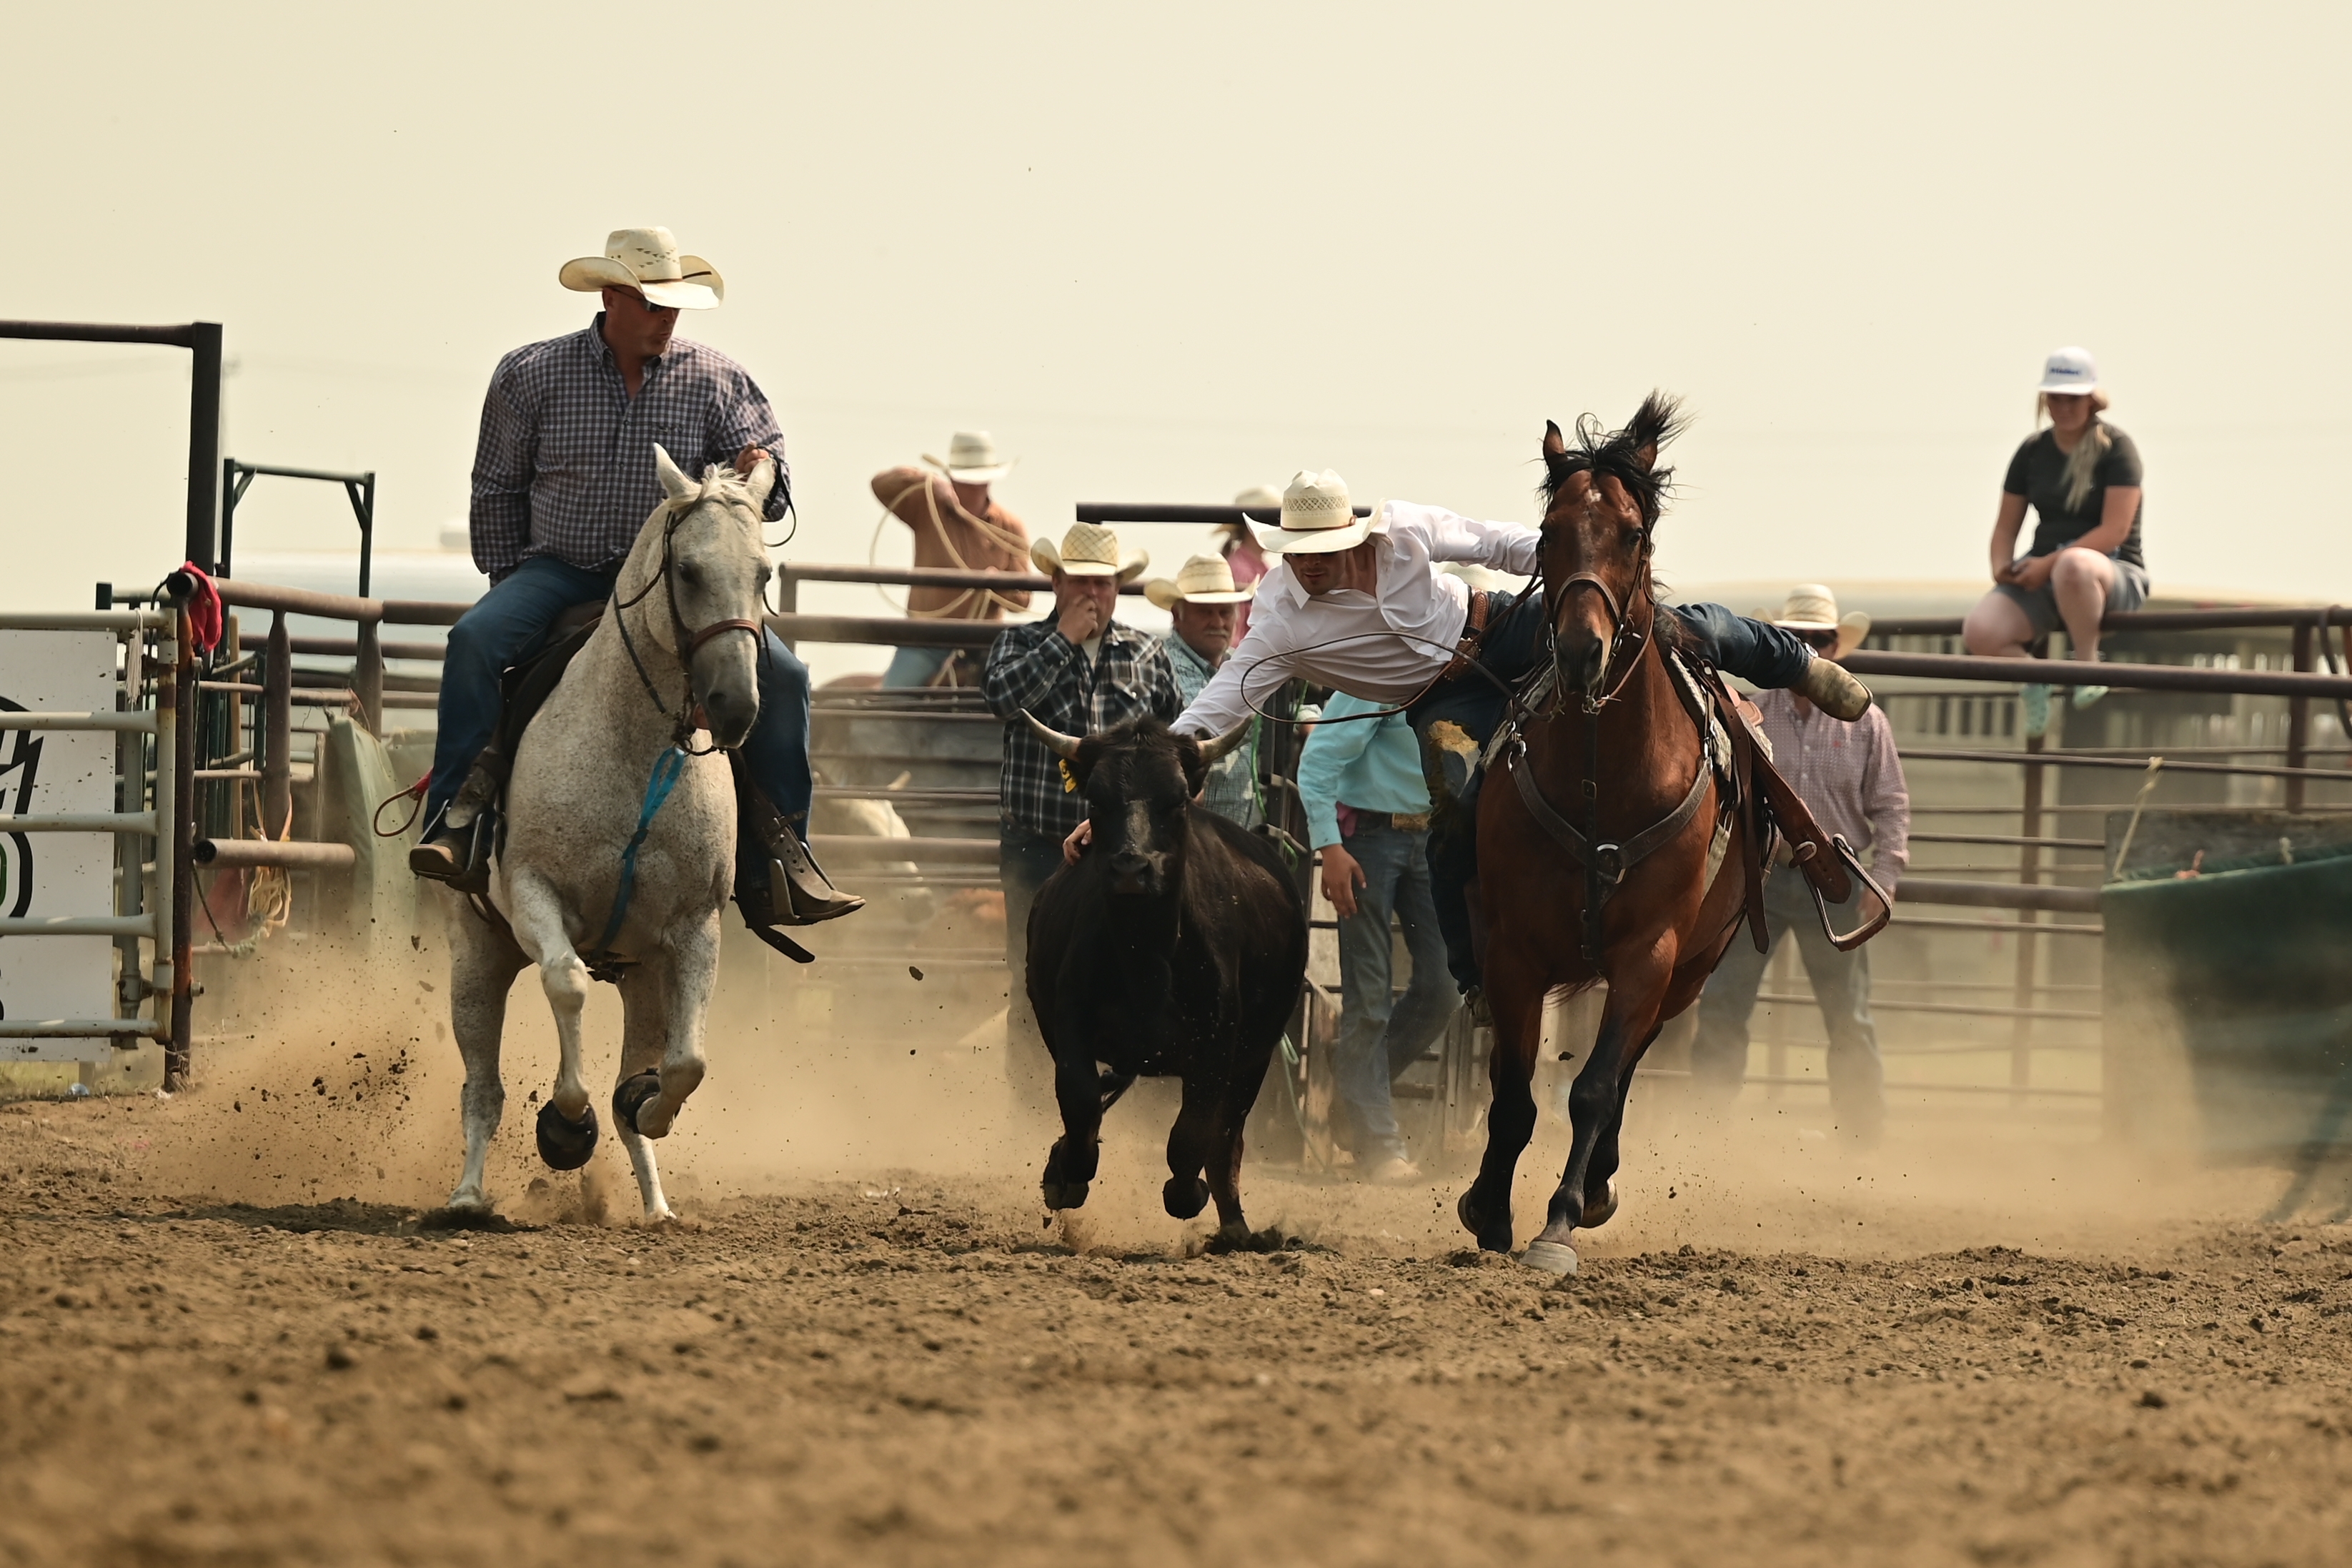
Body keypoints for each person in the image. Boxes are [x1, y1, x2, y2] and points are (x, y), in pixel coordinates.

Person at [1160, 462, 1874, 994]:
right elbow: (1227, 696)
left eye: (1322, 545)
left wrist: (1579, 565)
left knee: (1673, 632)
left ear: (1352, 534)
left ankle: (1795, 662)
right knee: (1455, 809)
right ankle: (1476, 979)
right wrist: (1166, 761)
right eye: (1297, 549)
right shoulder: (1281, 619)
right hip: (1445, 700)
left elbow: (1496, 542)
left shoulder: (1404, 530)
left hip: (1502, 627)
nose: (1309, 562)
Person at [409, 227, 860, 933]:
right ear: (612, 296)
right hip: (560, 570)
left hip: (674, 586)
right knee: (476, 639)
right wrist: (508, 581)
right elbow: (496, 491)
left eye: (673, 304)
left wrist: (756, 468)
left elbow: (770, 488)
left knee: (788, 680)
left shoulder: (716, 380)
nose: (667, 317)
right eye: (652, 303)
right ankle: (455, 819)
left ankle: (783, 857)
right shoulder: (531, 375)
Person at [1689, 585, 1909, 1146]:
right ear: (1782, 643)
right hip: (1757, 875)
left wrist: (1881, 881)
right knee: (1723, 1004)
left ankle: (1862, 1138)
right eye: (1798, 639)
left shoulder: (1866, 722)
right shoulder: (1749, 711)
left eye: (1819, 639)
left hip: (1831, 878)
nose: (1810, 647)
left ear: (1836, 645)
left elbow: (1890, 807)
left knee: (1848, 1018)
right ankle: (1708, 1127)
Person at [981, 523, 1182, 1085]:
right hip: (1038, 843)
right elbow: (1002, 699)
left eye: (1105, 581)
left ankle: (1112, 1109)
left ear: (1119, 587)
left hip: (1121, 851)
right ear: (1056, 582)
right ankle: (1027, 1107)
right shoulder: (1018, 644)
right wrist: (1062, 639)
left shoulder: (1145, 652)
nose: (1094, 593)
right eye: (1082, 580)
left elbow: (1170, 744)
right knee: (1039, 980)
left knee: (1131, 974)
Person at [1297, 690, 1457, 1184]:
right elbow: (1318, 759)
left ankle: (1355, 1086)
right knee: (1369, 996)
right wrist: (1329, 846)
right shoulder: (1373, 682)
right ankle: (1378, 1144)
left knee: (1443, 988)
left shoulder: (1451, 673)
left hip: (1429, 836)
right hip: (1369, 839)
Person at [1961, 347, 2149, 736]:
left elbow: (2115, 530)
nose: (2064, 406)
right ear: (2044, 399)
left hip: (2111, 570)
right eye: (2056, 397)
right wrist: (2003, 569)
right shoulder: (2032, 452)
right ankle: (2034, 678)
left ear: (2091, 400)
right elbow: (2005, 528)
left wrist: (2046, 565)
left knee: (2074, 564)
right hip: (2048, 569)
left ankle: (2086, 667)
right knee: (1979, 631)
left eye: (2073, 398)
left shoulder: (2118, 449)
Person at [870, 432, 1032, 688]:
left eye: (977, 481)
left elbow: (1023, 599)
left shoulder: (1010, 528)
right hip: (925, 640)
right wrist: (926, 479)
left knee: (1013, 700)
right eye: (966, 481)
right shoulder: (927, 505)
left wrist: (997, 584)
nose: (973, 488)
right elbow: (880, 485)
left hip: (983, 646)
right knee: (892, 701)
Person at [1144, 554, 1261, 827]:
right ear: (1177, 615)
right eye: (1205, 611)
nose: (1218, 622)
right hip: (1185, 831)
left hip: (1231, 831)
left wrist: (1302, 715)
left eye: (1225, 612)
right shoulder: (1159, 666)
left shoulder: (1239, 664)